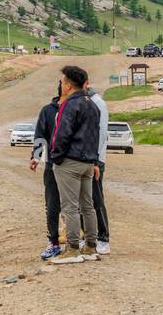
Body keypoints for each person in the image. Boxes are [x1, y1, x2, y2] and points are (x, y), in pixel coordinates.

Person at [49, 65, 101, 257]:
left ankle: (72, 248)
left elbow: (61, 134)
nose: (61, 85)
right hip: (88, 161)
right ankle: (91, 246)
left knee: (70, 206)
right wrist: (94, 160)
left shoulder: (69, 105)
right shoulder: (93, 105)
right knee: (88, 206)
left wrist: (56, 157)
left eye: (62, 82)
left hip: (70, 162)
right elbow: (96, 135)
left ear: (69, 86)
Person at [29, 83, 64, 260]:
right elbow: (40, 135)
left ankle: (79, 240)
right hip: (52, 165)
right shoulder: (47, 111)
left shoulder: (79, 107)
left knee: (77, 205)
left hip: (74, 164)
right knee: (52, 205)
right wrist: (35, 156)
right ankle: (53, 242)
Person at [85, 81, 112, 256]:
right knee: (82, 200)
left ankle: (103, 238)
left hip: (95, 159)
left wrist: (95, 160)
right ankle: (86, 236)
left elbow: (101, 134)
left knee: (96, 198)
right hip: (83, 158)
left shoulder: (97, 103)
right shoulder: (85, 102)